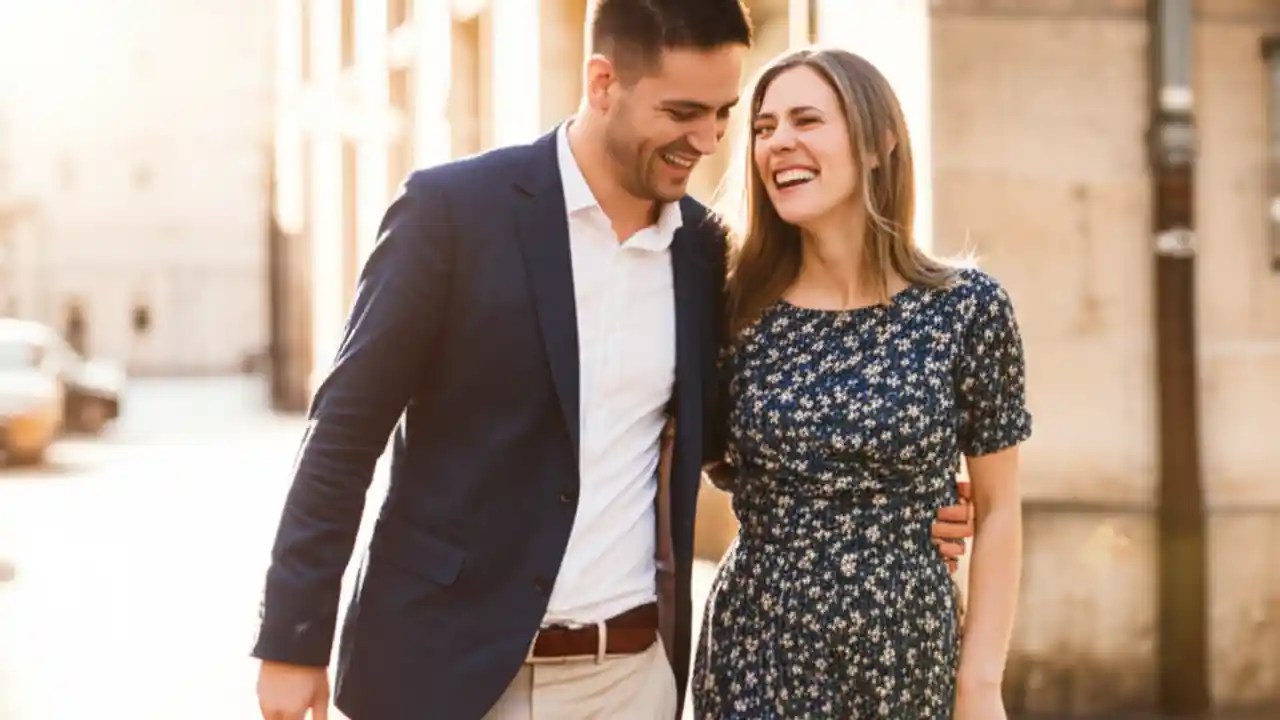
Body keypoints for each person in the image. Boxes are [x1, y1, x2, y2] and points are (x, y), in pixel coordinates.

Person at [253, 3, 973, 717]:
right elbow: (343, 434)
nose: (709, 139)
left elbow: (733, 441)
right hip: (451, 672)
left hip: (629, 682)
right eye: (684, 111)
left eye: (724, 113)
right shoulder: (452, 212)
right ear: (602, 83)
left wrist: (898, 501)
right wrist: (293, 641)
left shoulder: (702, 252)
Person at [693, 48, 1031, 719]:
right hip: (759, 654)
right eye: (764, 127)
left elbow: (997, 510)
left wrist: (981, 686)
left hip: (909, 654)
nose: (778, 141)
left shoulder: (967, 309)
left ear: (879, 144)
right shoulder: (731, 311)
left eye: (806, 119)